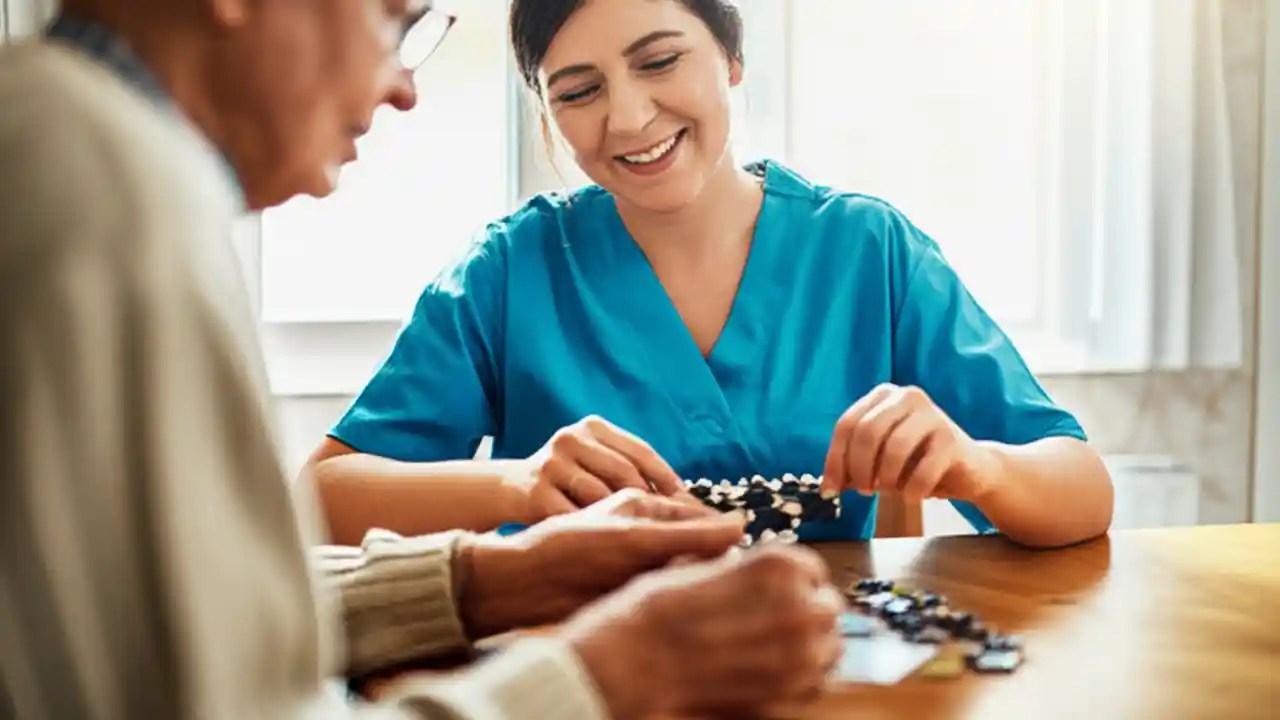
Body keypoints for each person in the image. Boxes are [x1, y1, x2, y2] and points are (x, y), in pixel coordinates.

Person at [0, 1, 844, 719]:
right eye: (391, 19)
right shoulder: (107, 201)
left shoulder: (79, 148)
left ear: (734, 59)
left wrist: (495, 577)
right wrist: (606, 673)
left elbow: (178, 634)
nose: (404, 88)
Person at [305, 0, 1115, 549]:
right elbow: (320, 500)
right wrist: (518, 486)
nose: (627, 118)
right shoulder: (505, 274)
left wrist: (977, 463)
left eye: (659, 62)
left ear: (731, 58)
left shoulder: (869, 250)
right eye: (579, 91)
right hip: (579, 680)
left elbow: (1082, 490)